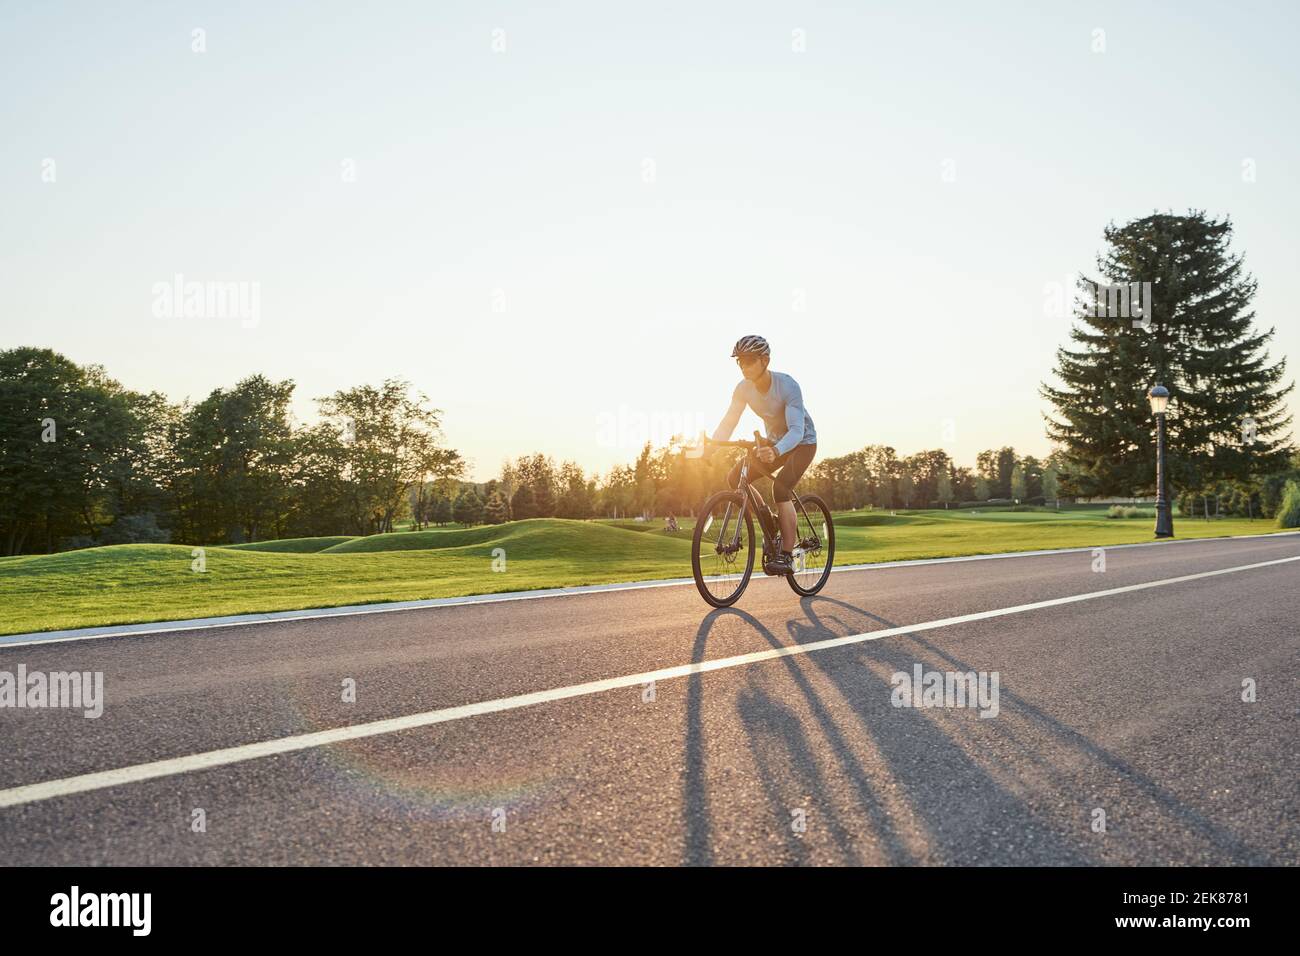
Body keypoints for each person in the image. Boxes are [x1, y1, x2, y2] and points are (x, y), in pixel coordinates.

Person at [707, 335, 817, 574]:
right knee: (735, 478)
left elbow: (797, 430)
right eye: (740, 362)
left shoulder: (788, 386)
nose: (744, 366)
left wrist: (775, 450)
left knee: (781, 489)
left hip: (802, 443)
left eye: (749, 360)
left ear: (764, 360)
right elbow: (729, 421)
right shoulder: (743, 389)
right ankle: (769, 521)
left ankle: (787, 556)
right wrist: (711, 447)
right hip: (774, 443)